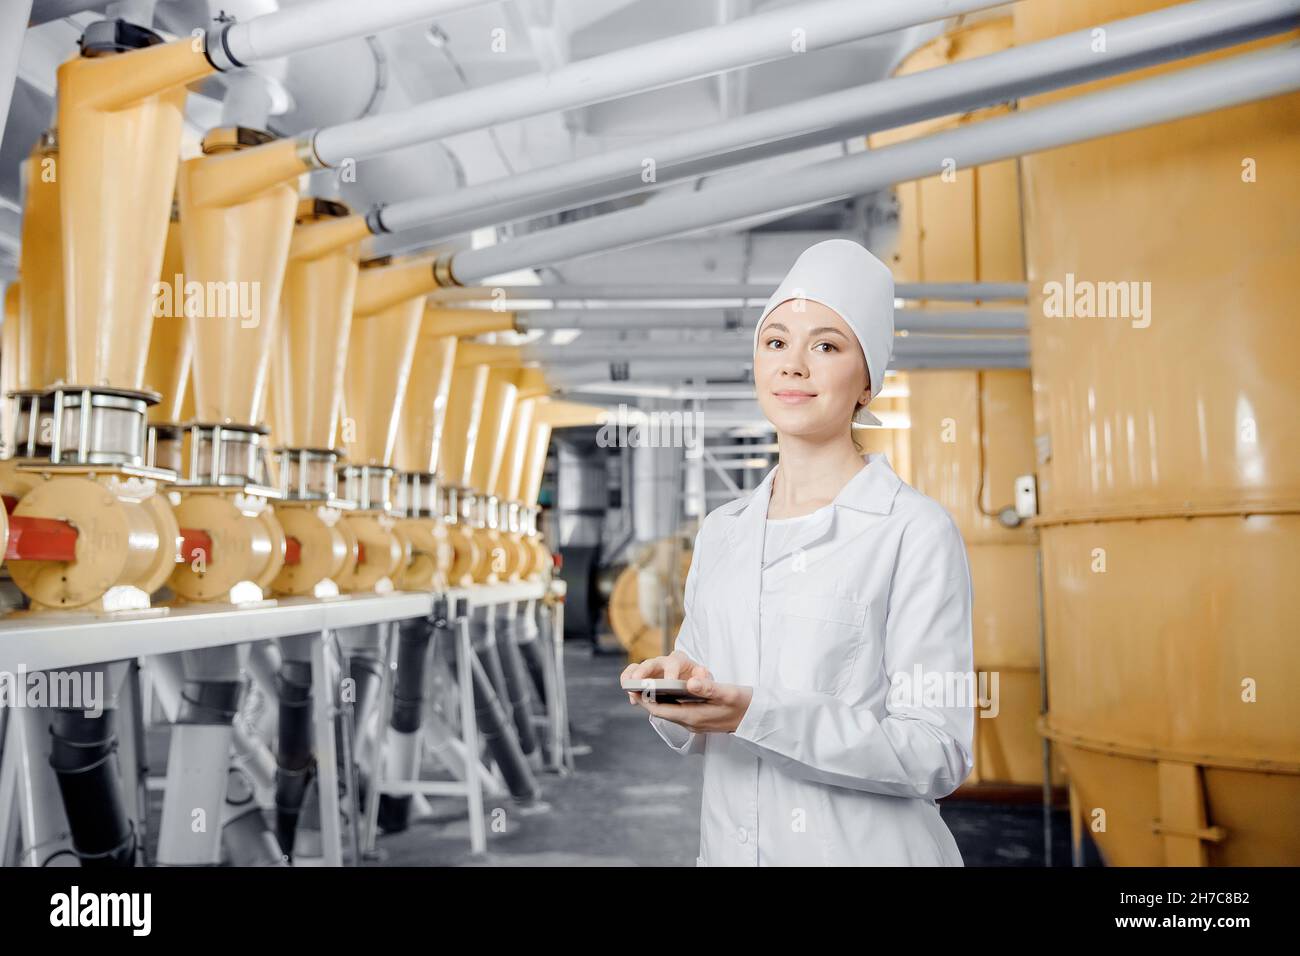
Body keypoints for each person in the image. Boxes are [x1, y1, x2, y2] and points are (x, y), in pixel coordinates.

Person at [624, 238, 975, 866]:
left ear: (867, 381)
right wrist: (670, 690)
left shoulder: (912, 530)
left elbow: (936, 753)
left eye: (827, 345)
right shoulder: (723, 531)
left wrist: (755, 714)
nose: (793, 365)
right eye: (775, 341)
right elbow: (703, 699)